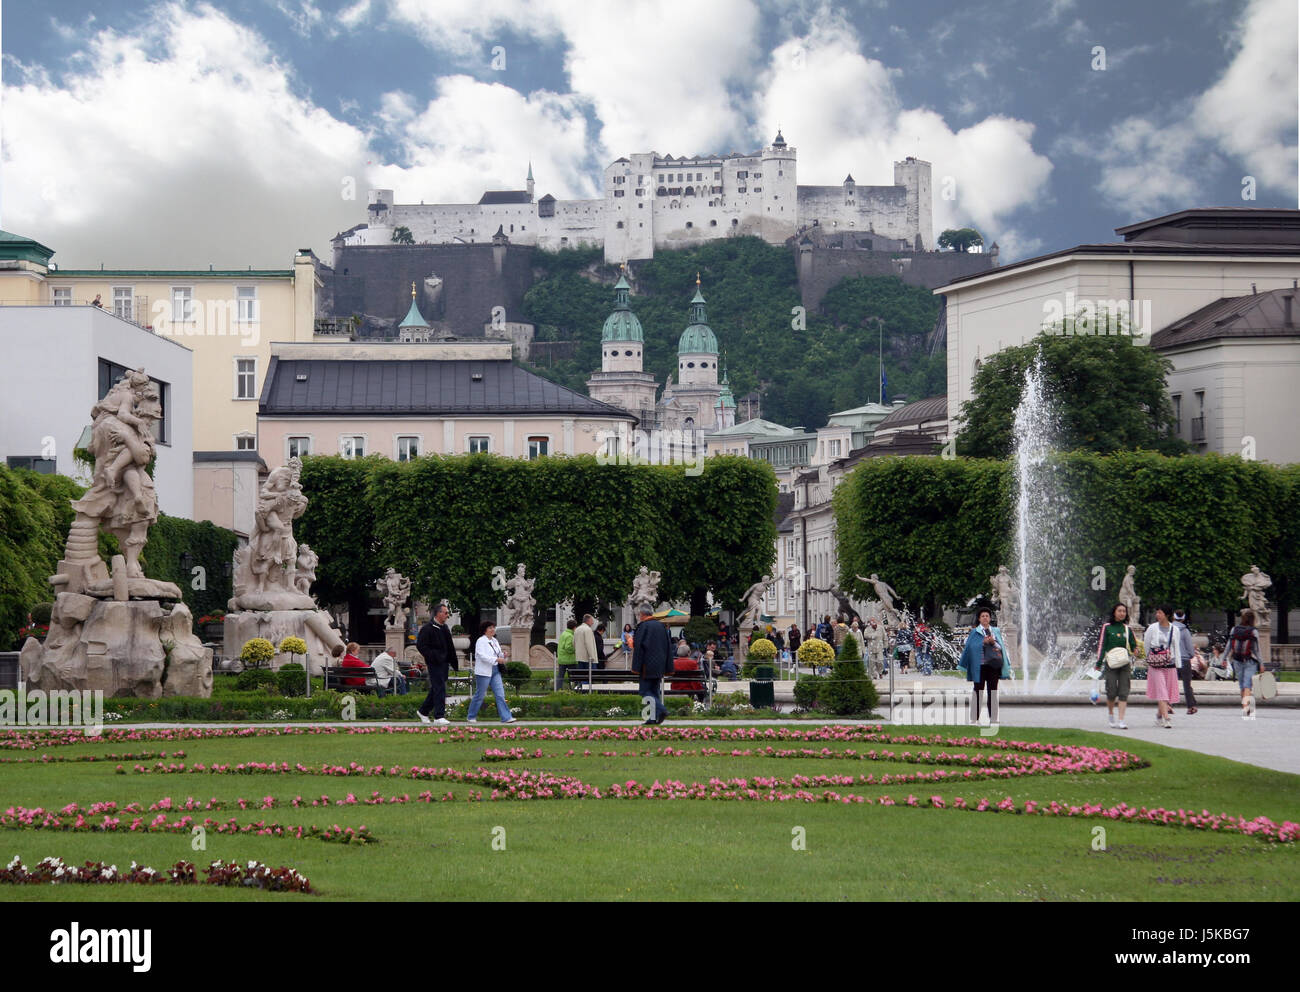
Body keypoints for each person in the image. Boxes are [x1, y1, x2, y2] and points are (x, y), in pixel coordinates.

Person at [958, 608, 1011, 724]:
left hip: (993, 666)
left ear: (990, 618)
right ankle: (974, 717)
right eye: (983, 616)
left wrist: (993, 642)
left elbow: (1001, 647)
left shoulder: (995, 631)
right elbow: (970, 647)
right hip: (980, 666)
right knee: (978, 691)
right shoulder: (975, 632)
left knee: (993, 691)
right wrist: (982, 643)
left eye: (987, 616)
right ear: (979, 619)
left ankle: (993, 718)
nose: (985, 618)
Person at [1094, 603, 1139, 730]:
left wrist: (1136, 650)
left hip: (1124, 664)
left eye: (1124, 611)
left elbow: (1133, 645)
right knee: (1111, 691)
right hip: (1111, 663)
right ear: (1114, 612)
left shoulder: (1127, 629)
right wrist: (1098, 663)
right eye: (1119, 611)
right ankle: (1111, 714)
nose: (1122, 613)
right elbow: (1102, 646)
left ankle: (1121, 720)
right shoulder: (1107, 627)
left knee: (1124, 692)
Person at [415, 603, 458, 725]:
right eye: (445, 613)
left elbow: (450, 646)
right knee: (440, 688)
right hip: (434, 663)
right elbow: (421, 646)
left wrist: (453, 661)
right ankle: (439, 716)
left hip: (444, 663)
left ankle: (423, 711)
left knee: (436, 688)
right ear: (438, 613)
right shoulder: (427, 628)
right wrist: (433, 656)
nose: (447, 615)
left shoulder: (444, 628)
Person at [631, 603, 672, 724]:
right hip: (659, 665)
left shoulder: (643, 627)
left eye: (639, 614)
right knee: (654, 691)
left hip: (646, 666)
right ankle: (652, 719)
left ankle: (661, 709)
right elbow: (668, 646)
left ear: (642, 614)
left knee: (644, 691)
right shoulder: (661, 626)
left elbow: (639, 647)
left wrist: (630, 642)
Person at [466, 621, 515, 724]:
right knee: (480, 694)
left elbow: (497, 653)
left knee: (500, 694)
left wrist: (503, 655)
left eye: (493, 627)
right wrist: (496, 659)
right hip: (484, 672)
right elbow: (482, 656)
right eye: (490, 628)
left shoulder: (494, 640)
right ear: (485, 630)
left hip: (495, 671)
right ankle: (471, 716)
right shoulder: (481, 641)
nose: (493, 630)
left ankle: (506, 717)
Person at [1144, 606, 1182, 730]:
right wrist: (1149, 658)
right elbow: (1147, 645)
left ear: (1166, 614)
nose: (1157, 615)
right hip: (1156, 665)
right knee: (1162, 691)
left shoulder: (1175, 629)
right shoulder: (1152, 628)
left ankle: (1159, 715)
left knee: (1168, 691)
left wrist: (1178, 664)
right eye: (1157, 612)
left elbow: (1176, 647)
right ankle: (1167, 718)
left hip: (1170, 664)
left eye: (1159, 613)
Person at [1227, 609, 1263, 720]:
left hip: (1237, 660)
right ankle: (1247, 708)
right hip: (1250, 661)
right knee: (1248, 684)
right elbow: (1257, 650)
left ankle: (1245, 707)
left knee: (1242, 685)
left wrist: (1223, 659)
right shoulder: (1254, 631)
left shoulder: (1234, 629)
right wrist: (1261, 663)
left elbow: (1229, 646)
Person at [1171, 609, 1198, 715]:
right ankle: (1191, 706)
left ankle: (1168, 705)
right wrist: (1190, 655)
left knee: (1171, 684)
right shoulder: (1185, 631)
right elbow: (1190, 648)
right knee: (1187, 685)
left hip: (1172, 660)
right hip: (1184, 660)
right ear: (1183, 618)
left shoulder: (1169, 629)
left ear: (1173, 617)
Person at [574, 613, 599, 685]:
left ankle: (581, 689)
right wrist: (592, 657)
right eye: (592, 620)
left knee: (581, 676)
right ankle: (586, 690)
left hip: (579, 657)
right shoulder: (588, 630)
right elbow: (589, 644)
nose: (593, 622)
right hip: (588, 657)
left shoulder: (577, 629)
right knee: (588, 676)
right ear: (587, 621)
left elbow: (574, 643)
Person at [556, 618, 577, 690]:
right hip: (569, 660)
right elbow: (568, 647)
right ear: (574, 627)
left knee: (560, 676)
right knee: (573, 677)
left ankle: (558, 690)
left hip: (561, 659)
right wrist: (575, 651)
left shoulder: (563, 634)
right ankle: (574, 689)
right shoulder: (570, 636)